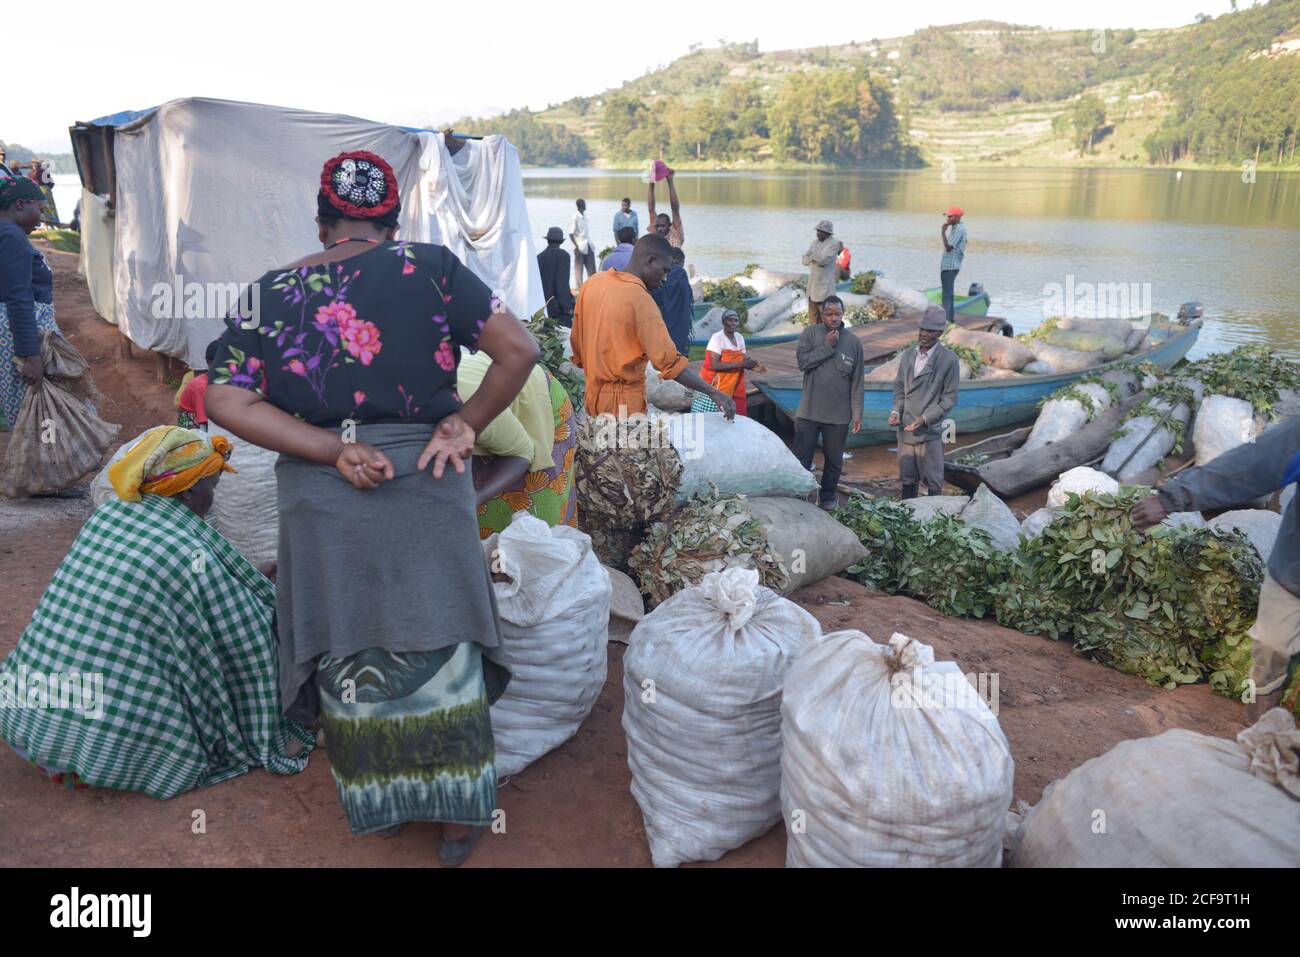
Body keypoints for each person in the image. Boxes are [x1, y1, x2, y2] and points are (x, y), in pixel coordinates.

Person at [205, 150, 539, 867]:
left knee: (350, 640)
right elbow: (519, 348)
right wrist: (467, 423)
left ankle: (383, 798)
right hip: (429, 473)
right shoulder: (432, 268)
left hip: (326, 499)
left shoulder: (269, 291)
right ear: (393, 223)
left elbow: (223, 397)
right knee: (442, 635)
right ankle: (456, 819)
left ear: (323, 222)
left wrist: (329, 451)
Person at [0, 426, 314, 795]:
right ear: (189, 489)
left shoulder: (112, 518)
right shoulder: (180, 546)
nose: (213, 497)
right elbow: (240, 634)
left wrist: (244, 574)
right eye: (212, 485)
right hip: (103, 754)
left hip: (24, 721)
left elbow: (191, 591)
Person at [1131, 415, 1300, 719]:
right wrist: (1172, 499)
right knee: (1272, 644)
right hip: (1295, 572)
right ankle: (1259, 720)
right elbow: (1254, 464)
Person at [570, 233, 734, 419]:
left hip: (592, 397)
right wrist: (713, 392)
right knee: (625, 447)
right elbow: (670, 364)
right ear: (650, 261)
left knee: (599, 445)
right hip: (624, 406)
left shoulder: (592, 284)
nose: (665, 280)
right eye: (664, 271)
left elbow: (578, 345)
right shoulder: (641, 300)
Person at [459, 349, 578, 537]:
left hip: (535, 403)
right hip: (486, 418)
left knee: (538, 515)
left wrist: (475, 499)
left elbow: (520, 453)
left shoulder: (465, 403)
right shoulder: (404, 412)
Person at [794, 295, 864, 510]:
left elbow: (857, 381)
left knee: (834, 462)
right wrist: (827, 346)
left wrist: (857, 413)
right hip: (809, 412)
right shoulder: (810, 334)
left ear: (843, 314)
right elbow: (803, 363)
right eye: (829, 314)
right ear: (822, 315)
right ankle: (798, 495)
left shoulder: (853, 342)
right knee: (802, 459)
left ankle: (827, 497)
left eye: (838, 314)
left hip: (838, 416)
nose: (834, 318)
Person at [0, 173, 56, 429]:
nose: (43, 217)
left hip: (13, 336)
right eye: (40, 209)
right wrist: (31, 355)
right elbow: (18, 298)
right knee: (42, 415)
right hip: (19, 339)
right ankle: (43, 465)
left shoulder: (6, 234)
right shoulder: (11, 237)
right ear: (21, 204)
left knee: (33, 416)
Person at [890, 307, 959, 499]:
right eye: (922, 329)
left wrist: (925, 418)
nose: (924, 334)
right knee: (907, 477)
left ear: (940, 333)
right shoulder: (908, 356)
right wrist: (896, 411)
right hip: (906, 429)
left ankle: (932, 519)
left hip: (930, 431)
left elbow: (949, 398)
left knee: (934, 479)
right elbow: (899, 389)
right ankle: (908, 513)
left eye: (930, 331)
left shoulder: (948, 360)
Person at [700, 309, 764, 417]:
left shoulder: (739, 338)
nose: (733, 323)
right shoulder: (717, 338)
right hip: (718, 382)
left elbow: (741, 359)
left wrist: (752, 365)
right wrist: (743, 364)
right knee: (717, 416)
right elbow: (715, 365)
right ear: (724, 322)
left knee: (738, 413)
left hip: (735, 381)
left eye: (736, 320)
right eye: (730, 320)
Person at [649, 245, 694, 355]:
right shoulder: (680, 273)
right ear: (679, 260)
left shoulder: (658, 274)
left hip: (659, 331)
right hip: (679, 330)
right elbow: (687, 299)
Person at [802, 220, 843, 326]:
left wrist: (811, 256)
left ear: (827, 233)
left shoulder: (834, 244)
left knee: (826, 318)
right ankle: (814, 338)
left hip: (825, 290)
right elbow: (805, 261)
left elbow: (822, 260)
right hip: (812, 287)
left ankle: (827, 340)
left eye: (820, 231)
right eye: (817, 231)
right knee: (813, 318)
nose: (818, 233)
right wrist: (811, 257)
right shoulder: (814, 242)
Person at [537, 226, 574, 323]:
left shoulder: (539, 257)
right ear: (561, 241)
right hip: (558, 310)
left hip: (541, 309)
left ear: (548, 240)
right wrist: (568, 307)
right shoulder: (564, 256)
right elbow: (562, 285)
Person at [940, 206, 967, 324]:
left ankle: (948, 320)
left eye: (950, 216)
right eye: (947, 216)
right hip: (949, 266)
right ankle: (949, 319)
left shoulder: (959, 229)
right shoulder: (956, 227)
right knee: (947, 293)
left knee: (947, 294)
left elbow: (949, 247)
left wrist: (942, 233)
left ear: (957, 217)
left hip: (951, 266)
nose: (947, 218)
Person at [646, 167, 683, 248]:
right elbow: (651, 209)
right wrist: (651, 182)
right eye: (658, 226)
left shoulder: (675, 233)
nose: (659, 229)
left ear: (669, 226)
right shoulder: (655, 233)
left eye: (663, 226)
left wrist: (670, 181)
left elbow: (675, 208)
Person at [569, 198, 597, 288]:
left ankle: (593, 286)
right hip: (579, 246)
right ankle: (580, 288)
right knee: (579, 269)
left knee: (591, 267)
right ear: (581, 206)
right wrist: (576, 246)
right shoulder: (575, 217)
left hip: (587, 244)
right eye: (584, 204)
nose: (586, 206)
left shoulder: (584, 215)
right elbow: (571, 233)